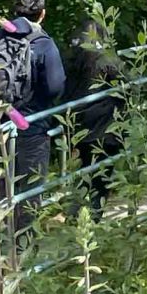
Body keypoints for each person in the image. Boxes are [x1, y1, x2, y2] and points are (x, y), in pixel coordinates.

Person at [0, 0, 67, 201]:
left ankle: (3, 232)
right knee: (30, 192)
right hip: (32, 125)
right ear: (42, 14)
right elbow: (55, 87)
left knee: (1, 191)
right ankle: (25, 234)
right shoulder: (44, 44)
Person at [61, 16, 125, 200]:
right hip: (105, 128)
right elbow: (130, 84)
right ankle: (92, 217)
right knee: (101, 178)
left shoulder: (71, 59)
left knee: (85, 172)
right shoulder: (108, 60)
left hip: (79, 126)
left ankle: (76, 214)